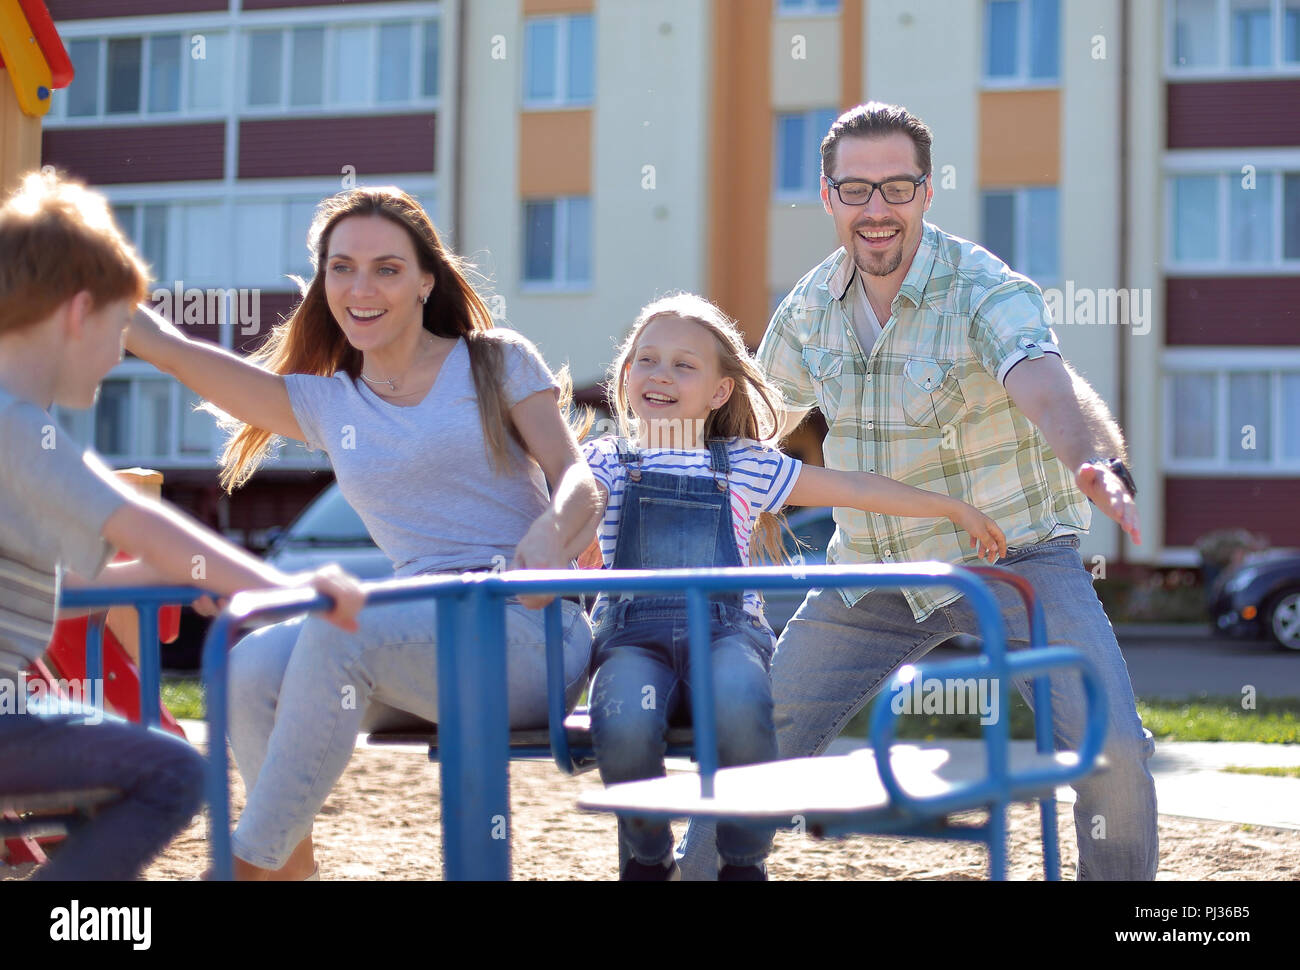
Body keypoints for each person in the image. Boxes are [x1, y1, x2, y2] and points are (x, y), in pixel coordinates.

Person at [677, 102, 1156, 881]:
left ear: (927, 194)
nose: (877, 209)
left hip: (1016, 558)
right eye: (856, 189)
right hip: (876, 569)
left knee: (1113, 749)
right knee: (757, 732)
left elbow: (1045, 386)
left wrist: (1090, 461)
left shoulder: (983, 288)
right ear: (828, 197)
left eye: (897, 188)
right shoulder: (807, 310)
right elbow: (751, 425)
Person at [125, 185, 600, 880]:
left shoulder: (493, 360)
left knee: (338, 624)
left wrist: (554, 532)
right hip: (409, 642)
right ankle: (290, 869)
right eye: (341, 267)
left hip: (523, 633)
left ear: (424, 282)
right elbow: (177, 353)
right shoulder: (332, 402)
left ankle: (245, 865)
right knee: (250, 662)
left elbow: (579, 477)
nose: (360, 286)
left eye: (386, 268)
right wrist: (107, 302)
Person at [0, 171, 365, 880]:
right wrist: (284, 590)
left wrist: (182, 574)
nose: (117, 355)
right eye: (121, 331)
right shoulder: (17, 428)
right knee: (170, 773)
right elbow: (141, 521)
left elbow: (72, 577)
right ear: (78, 314)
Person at [582, 293, 1006, 880]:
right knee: (623, 718)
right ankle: (649, 859)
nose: (661, 375)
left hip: (724, 635)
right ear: (627, 377)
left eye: (685, 365)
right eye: (647, 360)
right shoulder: (604, 461)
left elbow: (855, 488)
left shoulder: (745, 464)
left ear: (720, 392)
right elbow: (564, 511)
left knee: (742, 703)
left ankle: (741, 859)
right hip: (633, 639)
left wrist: (948, 508)